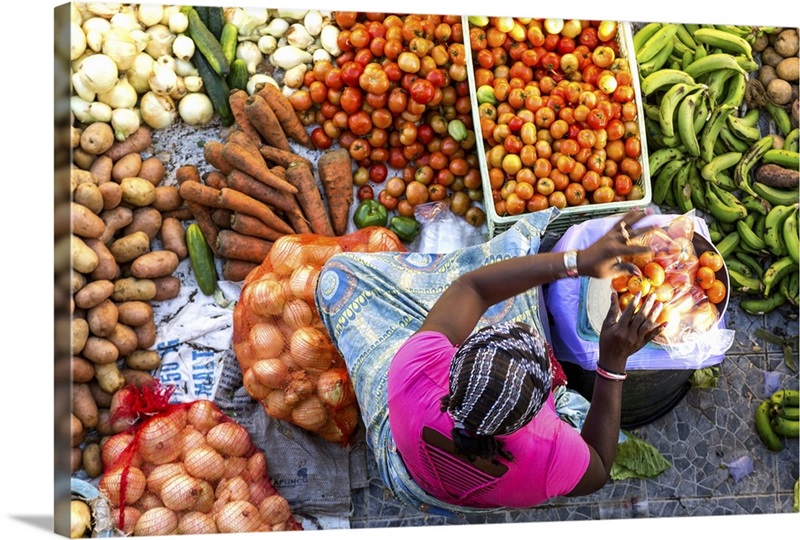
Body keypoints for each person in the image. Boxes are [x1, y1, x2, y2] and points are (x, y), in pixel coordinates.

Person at [385, 209, 667, 509]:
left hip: (412, 477)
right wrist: (612, 364)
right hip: (485, 494)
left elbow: (473, 288)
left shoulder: (415, 370)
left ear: (455, 365)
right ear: (537, 413)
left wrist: (579, 261)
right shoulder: (549, 453)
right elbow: (598, 469)